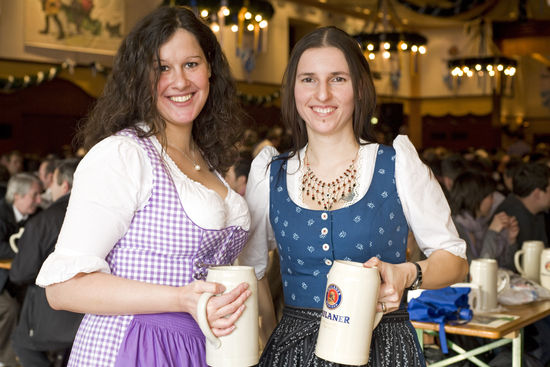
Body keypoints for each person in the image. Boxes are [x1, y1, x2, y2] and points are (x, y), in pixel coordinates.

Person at [238, 26, 468, 366]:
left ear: (360, 88)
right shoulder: (269, 174)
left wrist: (409, 273)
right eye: (308, 79)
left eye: (338, 79)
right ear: (293, 90)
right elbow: (253, 270)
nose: (322, 94)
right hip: (293, 351)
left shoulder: (398, 164)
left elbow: (455, 259)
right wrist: (270, 339)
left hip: (385, 347)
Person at [35, 6, 251, 367]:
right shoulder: (123, 155)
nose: (179, 81)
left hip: (203, 348)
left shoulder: (207, 161)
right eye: (162, 68)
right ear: (140, 78)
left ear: (210, 69)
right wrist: (181, 299)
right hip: (135, 346)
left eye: (191, 64)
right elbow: (64, 288)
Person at [9, 159, 82, 367]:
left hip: (52, 311)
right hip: (88, 311)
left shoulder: (44, 221)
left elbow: (20, 274)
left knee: (21, 342)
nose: (48, 190)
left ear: (64, 186)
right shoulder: (99, 216)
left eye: (52, 185)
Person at [0, 173, 42, 367]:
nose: (39, 200)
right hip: (3, 280)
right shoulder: (1, 213)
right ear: (17, 195)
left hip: (22, 278)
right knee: (10, 308)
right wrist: (25, 252)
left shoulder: (39, 215)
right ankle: (7, 358)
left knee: (37, 301)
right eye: (34, 195)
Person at [449, 171, 519, 266]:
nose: (493, 200)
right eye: (490, 196)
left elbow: (506, 267)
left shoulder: (481, 224)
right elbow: (478, 271)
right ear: (476, 198)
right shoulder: (455, 229)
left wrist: (511, 240)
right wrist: (492, 232)